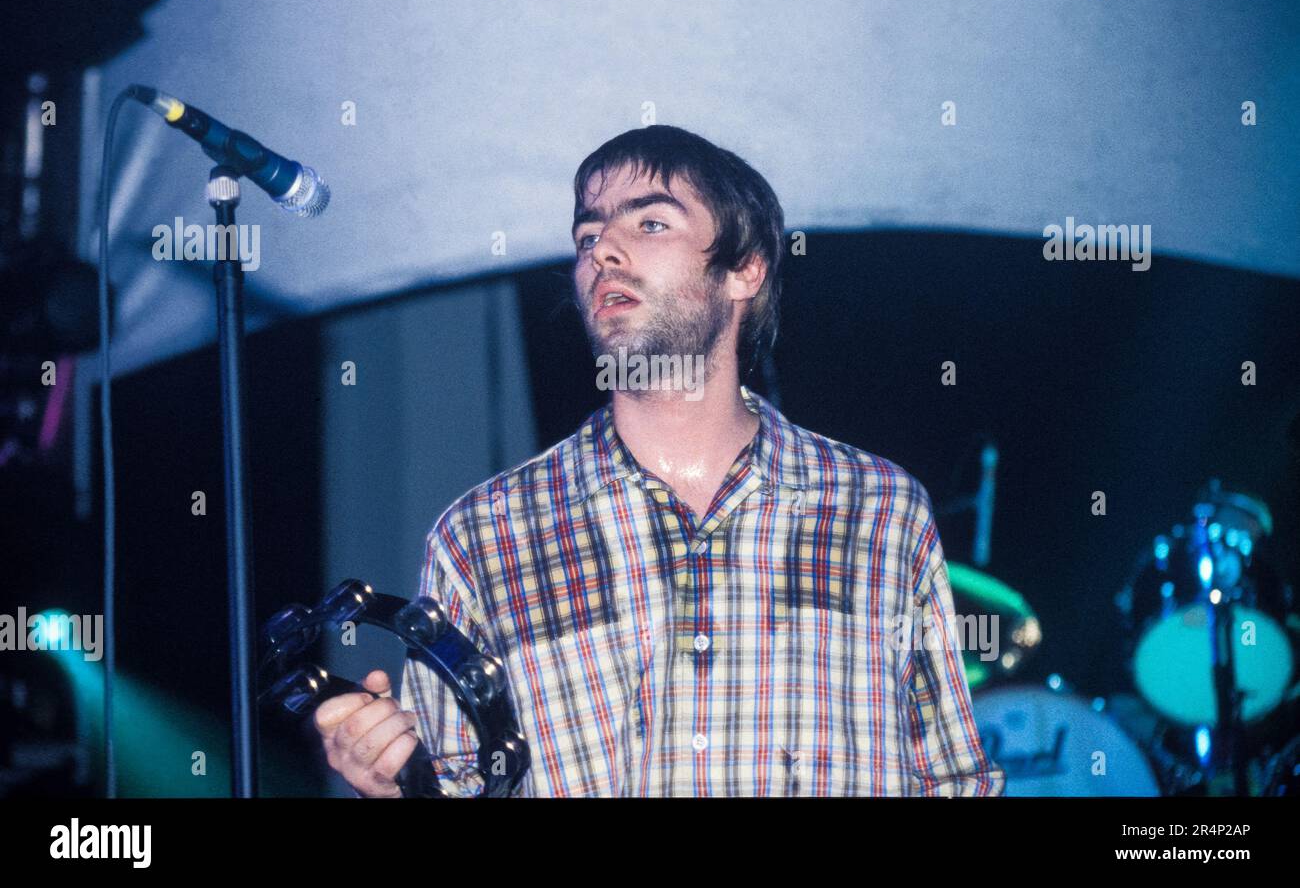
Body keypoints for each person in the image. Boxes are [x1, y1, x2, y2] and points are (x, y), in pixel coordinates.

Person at [314, 125, 1004, 797]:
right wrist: (394, 779)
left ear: (744, 269)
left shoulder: (879, 510)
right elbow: (456, 785)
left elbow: (955, 779)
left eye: (649, 224)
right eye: (587, 236)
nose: (602, 251)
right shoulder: (483, 537)